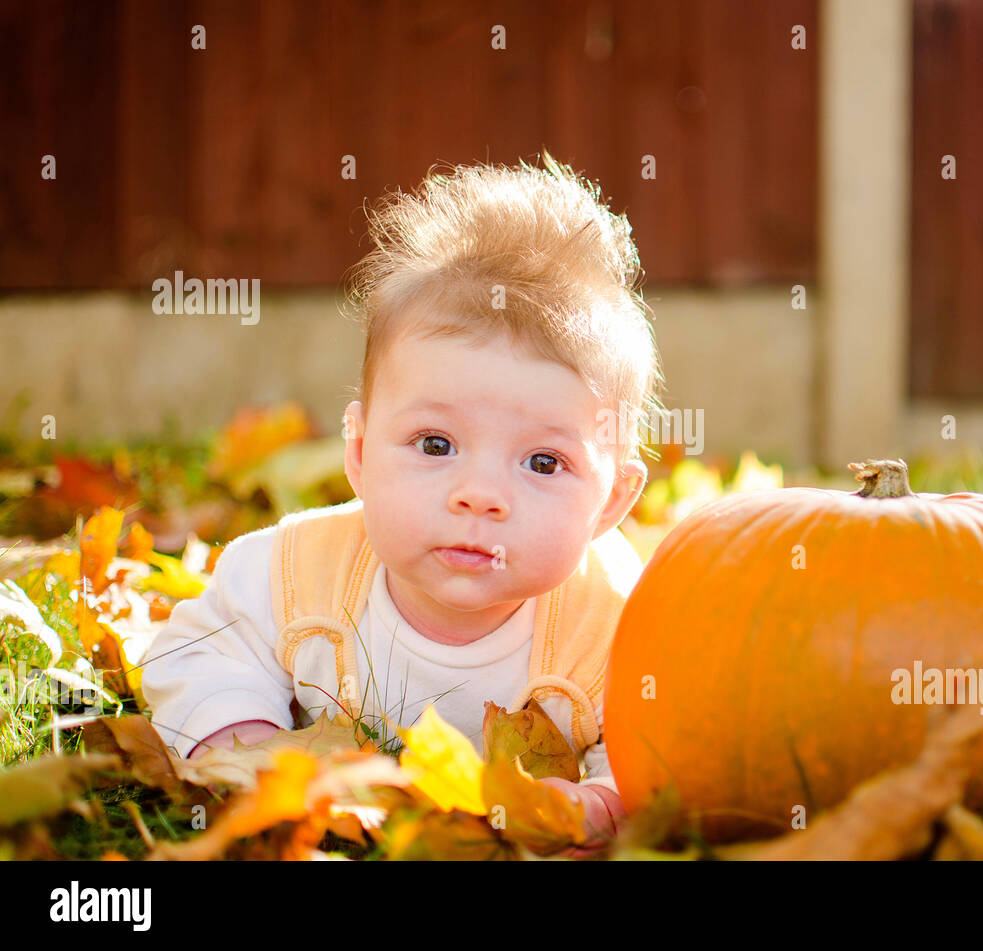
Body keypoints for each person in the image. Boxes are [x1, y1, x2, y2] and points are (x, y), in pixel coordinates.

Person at [141, 151, 665, 846]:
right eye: (435, 444)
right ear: (358, 452)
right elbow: (197, 651)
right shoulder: (297, 577)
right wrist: (245, 738)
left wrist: (599, 798)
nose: (480, 496)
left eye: (544, 461)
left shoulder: (615, 626)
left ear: (611, 502)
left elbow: (660, 744)